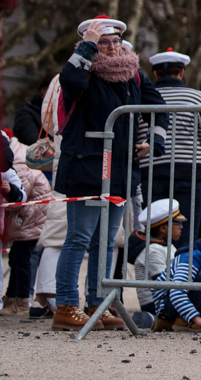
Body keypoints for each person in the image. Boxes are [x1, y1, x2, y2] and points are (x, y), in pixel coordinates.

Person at [52, 17, 167, 332]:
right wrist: (87, 47)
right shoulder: (84, 70)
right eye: (104, 42)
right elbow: (70, 83)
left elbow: (160, 108)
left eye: (116, 40)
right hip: (86, 167)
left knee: (105, 243)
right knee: (78, 238)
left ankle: (97, 304)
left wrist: (154, 143)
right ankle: (65, 306)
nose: (113, 46)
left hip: (120, 172)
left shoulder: (133, 75)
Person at [141, 49, 201, 230]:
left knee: (153, 231)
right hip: (188, 172)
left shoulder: (142, 98)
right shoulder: (196, 98)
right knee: (186, 232)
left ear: (155, 73)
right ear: (182, 72)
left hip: (150, 172)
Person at [1, 130, 50, 315]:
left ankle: (22, 301)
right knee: (17, 258)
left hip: (31, 217)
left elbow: (16, 201)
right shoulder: (17, 155)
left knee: (22, 260)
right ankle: (12, 296)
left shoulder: (17, 164)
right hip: (29, 216)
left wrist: (7, 191)